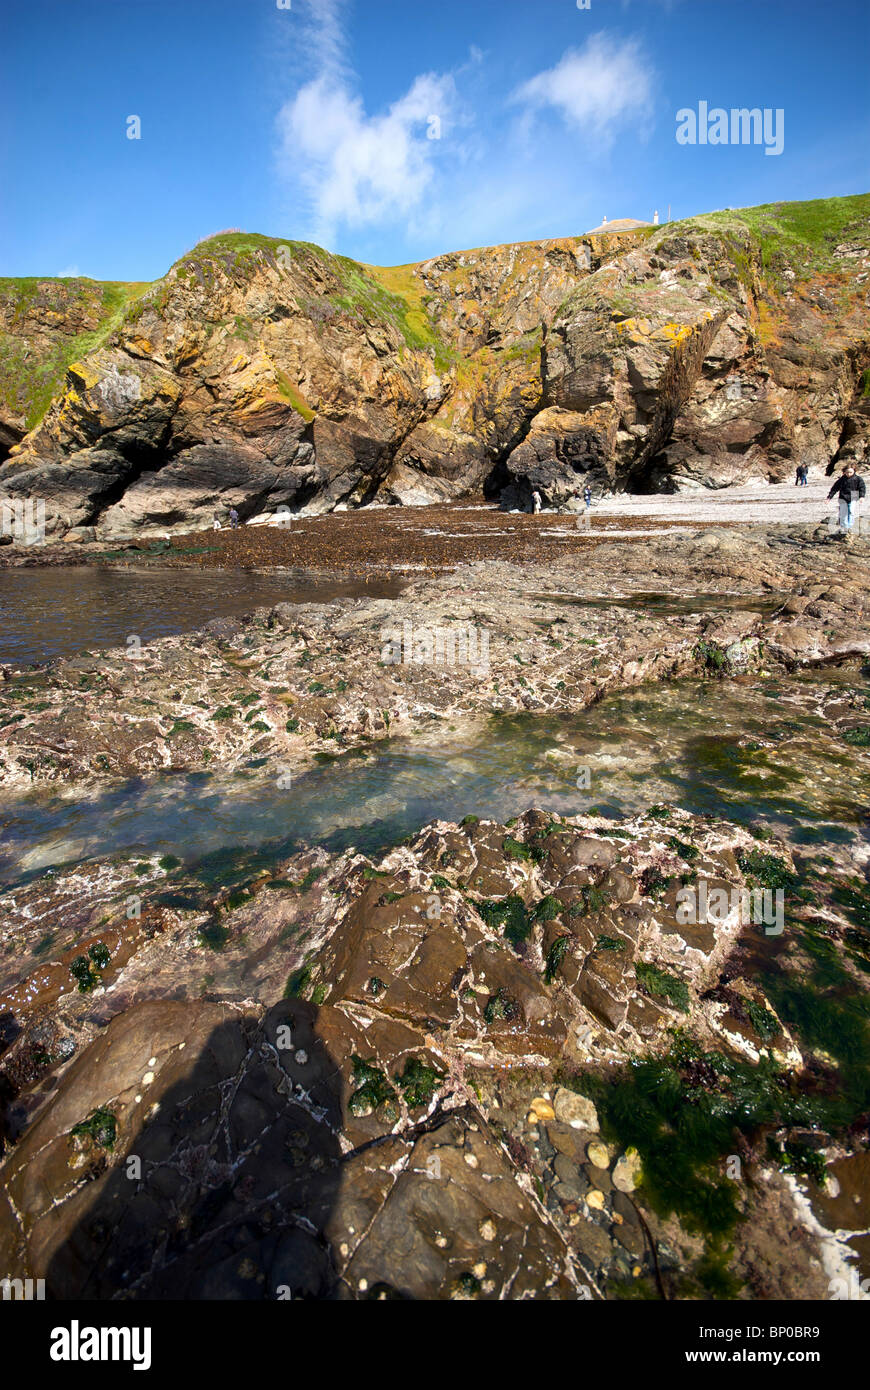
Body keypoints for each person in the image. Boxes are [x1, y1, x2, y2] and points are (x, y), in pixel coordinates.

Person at [827, 464, 865, 534]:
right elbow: (834, 488)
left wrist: (862, 496)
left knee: (851, 512)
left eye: (850, 472)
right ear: (844, 472)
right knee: (843, 513)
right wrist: (829, 497)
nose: (848, 474)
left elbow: (862, 488)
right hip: (843, 497)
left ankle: (850, 526)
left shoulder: (858, 479)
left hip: (853, 496)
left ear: (854, 471)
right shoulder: (841, 479)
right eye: (847, 472)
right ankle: (844, 527)